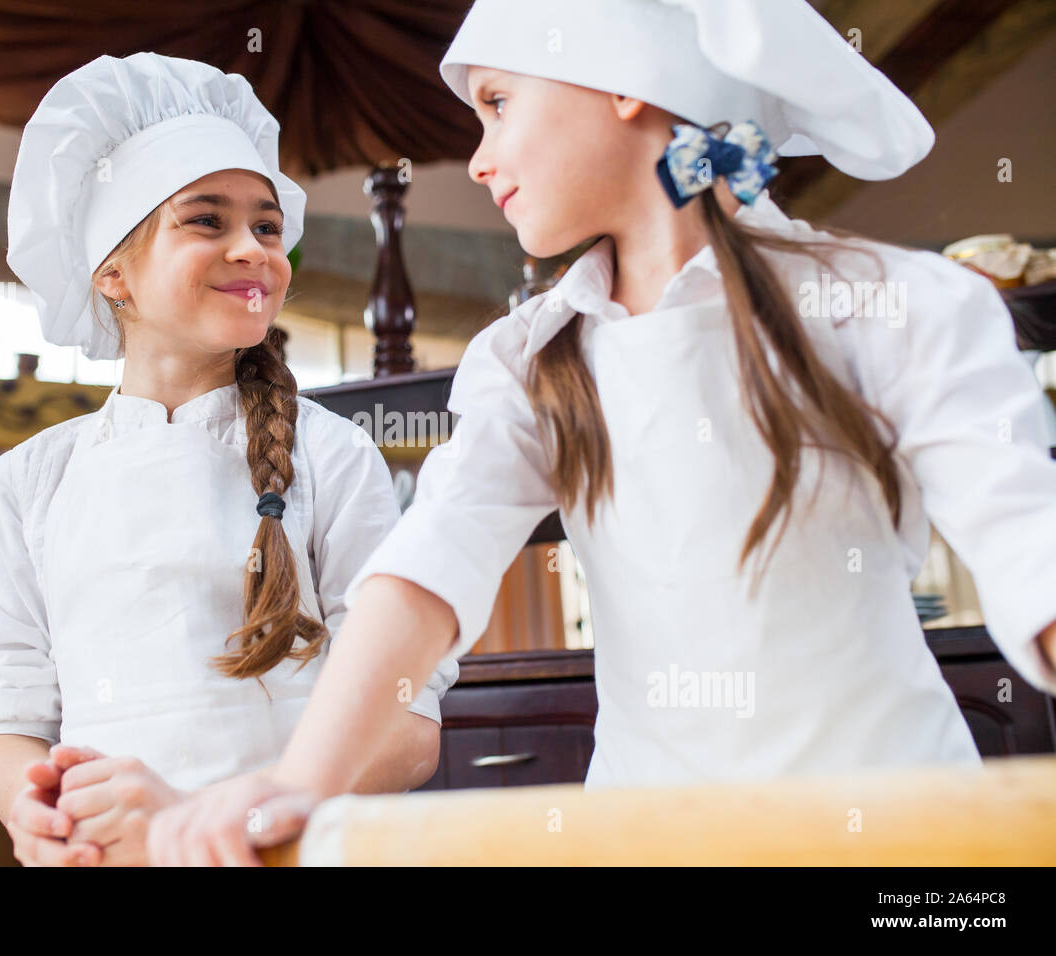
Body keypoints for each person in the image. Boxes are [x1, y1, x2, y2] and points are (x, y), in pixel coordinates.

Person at [144, 0, 1056, 866]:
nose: (478, 159)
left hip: (910, 843)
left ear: (624, 79)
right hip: (648, 839)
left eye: (499, 104)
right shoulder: (531, 359)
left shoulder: (898, 306)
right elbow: (430, 569)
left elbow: (1030, 547)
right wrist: (301, 781)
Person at [0, 53, 458, 867]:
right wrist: (33, 814)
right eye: (206, 220)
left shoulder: (333, 456)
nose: (253, 249)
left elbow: (408, 729)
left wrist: (202, 819)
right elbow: (14, 725)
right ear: (112, 274)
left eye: (267, 226)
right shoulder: (24, 488)